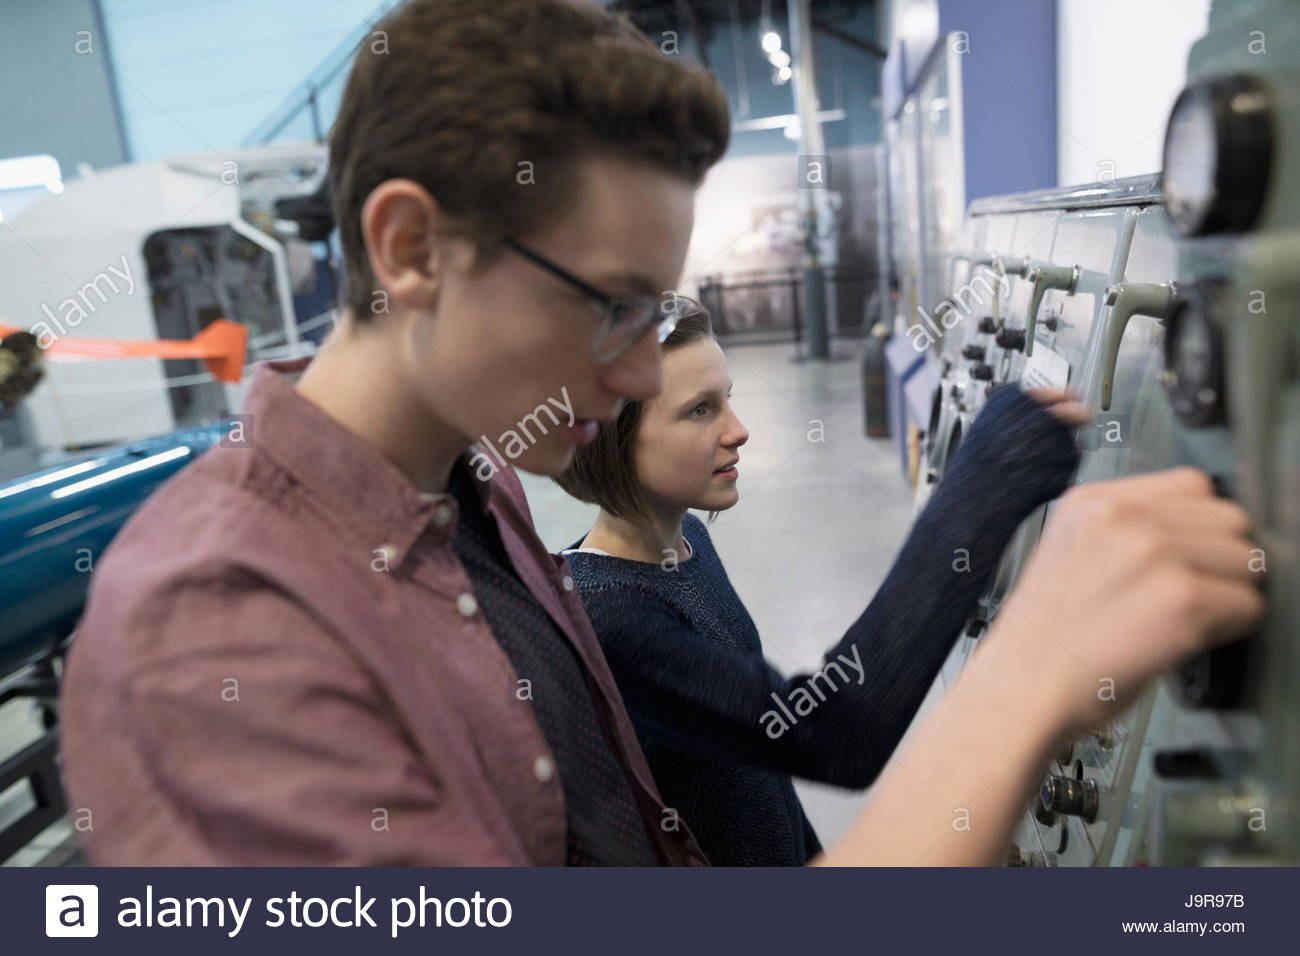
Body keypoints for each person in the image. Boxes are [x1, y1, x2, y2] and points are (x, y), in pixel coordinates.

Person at [58, 0, 1263, 867]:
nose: (639, 369)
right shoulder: (220, 631)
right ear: (411, 248)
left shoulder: (470, 492)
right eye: (611, 303)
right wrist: (1038, 668)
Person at [554, 306, 1087, 865]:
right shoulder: (611, 621)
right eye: (699, 411)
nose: (737, 429)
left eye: (727, 398)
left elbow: (754, 761)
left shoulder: (687, 540)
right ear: (611, 438)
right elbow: (835, 734)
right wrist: (985, 484)